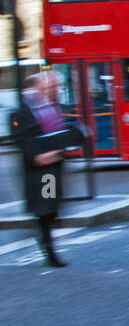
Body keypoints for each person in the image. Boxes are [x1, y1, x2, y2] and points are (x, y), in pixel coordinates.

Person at [10, 70, 73, 267]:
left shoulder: (48, 109)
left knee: (52, 208)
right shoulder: (20, 113)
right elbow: (20, 139)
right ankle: (49, 249)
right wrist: (37, 157)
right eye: (41, 88)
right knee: (45, 209)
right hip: (39, 170)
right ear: (30, 89)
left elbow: (58, 132)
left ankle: (44, 236)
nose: (44, 91)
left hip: (52, 167)